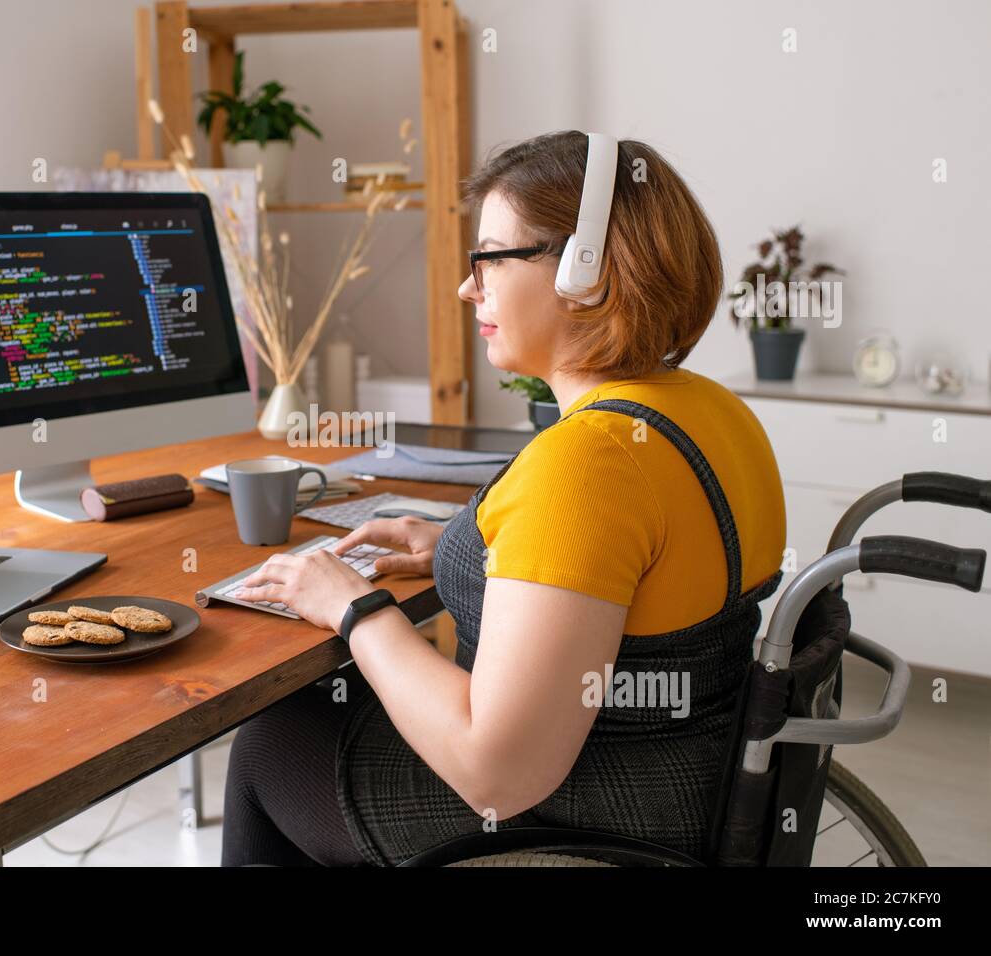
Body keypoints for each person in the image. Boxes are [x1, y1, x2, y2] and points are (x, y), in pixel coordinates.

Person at [221, 130, 786, 867]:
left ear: (585, 269)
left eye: (489, 258)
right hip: (695, 779)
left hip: (600, 812)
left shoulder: (587, 460)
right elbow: (630, 573)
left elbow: (497, 774)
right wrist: (475, 550)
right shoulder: (709, 408)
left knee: (271, 743)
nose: (468, 287)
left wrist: (353, 609)